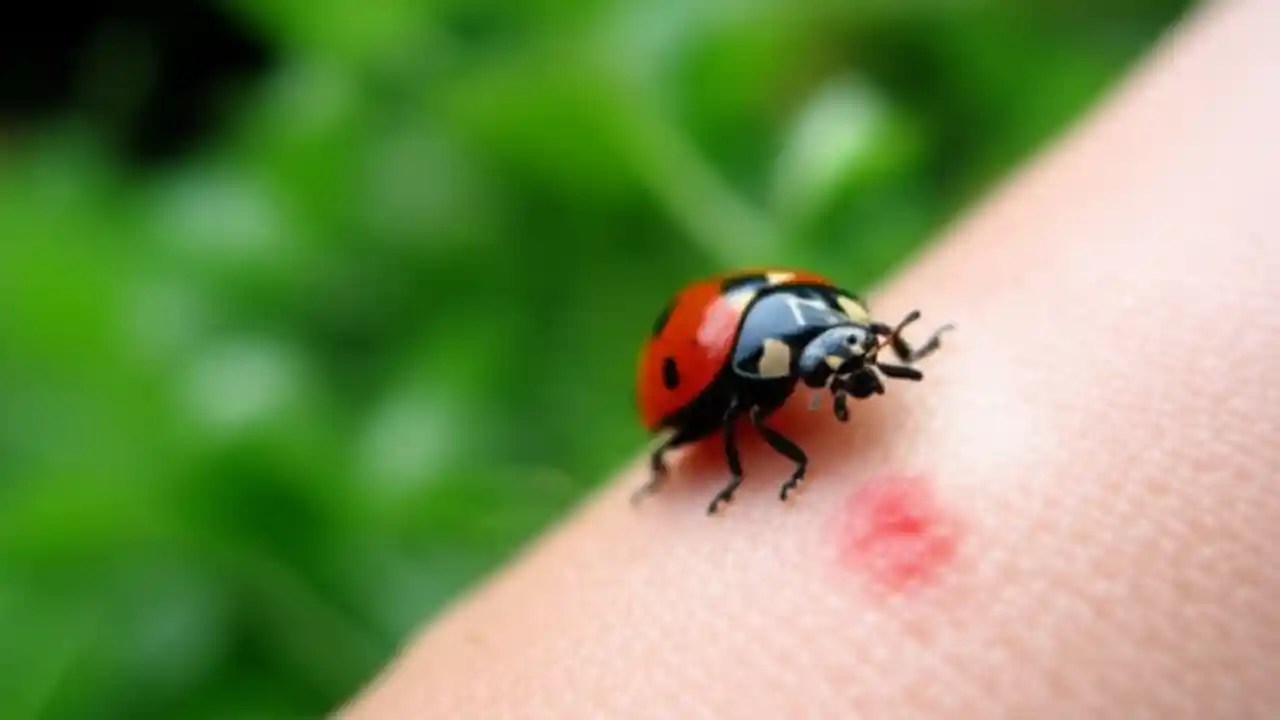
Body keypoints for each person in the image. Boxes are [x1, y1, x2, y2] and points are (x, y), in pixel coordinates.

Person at [346, 1, 1280, 716]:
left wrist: (876, 346)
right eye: (845, 366)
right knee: (721, 426)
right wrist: (753, 473)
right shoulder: (749, 374)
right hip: (715, 366)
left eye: (858, 359)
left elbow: (840, 334)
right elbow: (737, 416)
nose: (857, 379)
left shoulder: (821, 321)